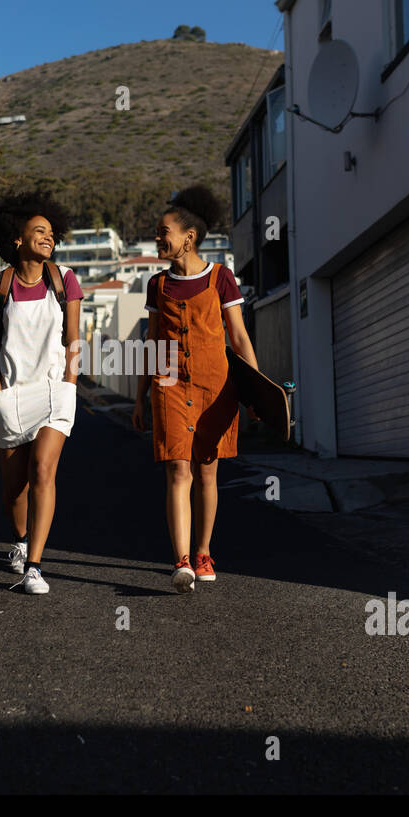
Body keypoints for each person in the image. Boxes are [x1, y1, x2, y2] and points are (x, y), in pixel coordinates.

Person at [133, 185, 258, 593]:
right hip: (169, 385)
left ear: (188, 237)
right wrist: (140, 397)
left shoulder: (221, 277)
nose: (157, 238)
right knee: (177, 468)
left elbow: (238, 336)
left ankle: (203, 552)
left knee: (206, 470)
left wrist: (256, 389)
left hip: (215, 386)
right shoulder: (157, 284)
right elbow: (152, 343)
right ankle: (182, 560)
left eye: (163, 232)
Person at [0, 192, 83, 594]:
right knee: (14, 490)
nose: (49, 237)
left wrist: (70, 384)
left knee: (42, 470)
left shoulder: (64, 279)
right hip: (12, 394)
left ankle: (35, 567)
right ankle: (21, 540)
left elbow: (73, 339)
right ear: (17, 238)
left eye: (52, 232)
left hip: (55, 391)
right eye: (39, 231)